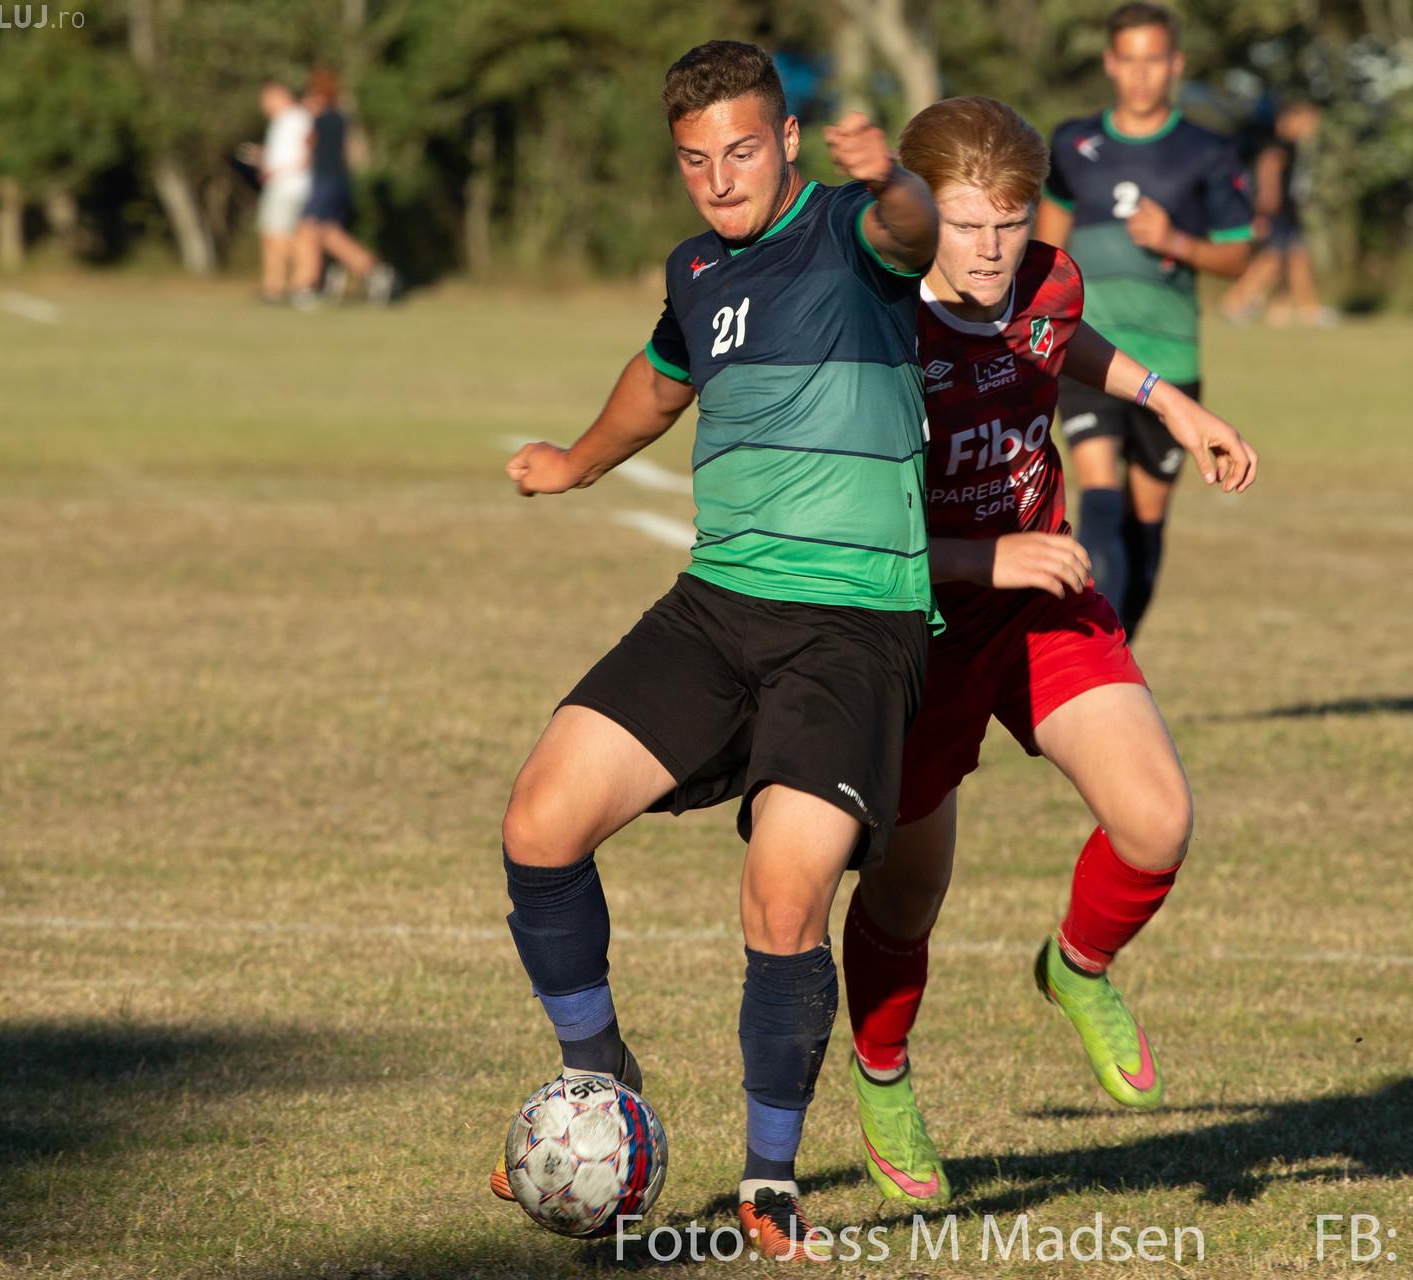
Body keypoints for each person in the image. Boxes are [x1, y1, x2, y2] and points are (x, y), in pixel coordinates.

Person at [490, 40, 938, 1262]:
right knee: (541, 821)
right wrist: (579, 461)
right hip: (717, 608)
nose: (721, 181)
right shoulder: (696, 266)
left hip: (851, 623)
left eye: (742, 151)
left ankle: (770, 1181)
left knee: (784, 897)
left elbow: (915, 228)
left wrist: (893, 176)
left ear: (786, 141)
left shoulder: (854, 228)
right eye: (696, 161)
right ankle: (605, 1094)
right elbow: (663, 372)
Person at [840, 94, 1257, 1204]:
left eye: (1011, 223)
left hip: (1041, 599)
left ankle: (1076, 965)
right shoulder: (875, 330)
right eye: (967, 224)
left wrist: (1171, 404)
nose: (990, 249)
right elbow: (841, 538)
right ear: (924, 215)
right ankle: (882, 1074)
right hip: (920, 625)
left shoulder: (1049, 279)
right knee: (904, 895)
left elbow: (1069, 338)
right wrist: (986, 559)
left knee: (1157, 817)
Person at [1034, 2, 1255, 636]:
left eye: (1152, 60)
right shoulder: (1073, 144)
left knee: (1145, 522)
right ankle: (1093, 656)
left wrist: (1178, 242)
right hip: (1088, 351)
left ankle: (1115, 652)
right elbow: (1048, 257)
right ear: (1110, 63)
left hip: (1171, 358)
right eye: (1126, 59)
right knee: (1097, 490)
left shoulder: (1206, 152)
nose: (1139, 74)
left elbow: (1239, 256)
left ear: (1175, 64)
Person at [1220, 97, 1333, 327]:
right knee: (1271, 260)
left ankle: (1307, 308)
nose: (1311, 128)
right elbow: (1267, 178)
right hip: (1274, 210)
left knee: (1298, 256)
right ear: (1293, 118)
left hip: (1286, 209)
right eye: (1308, 121)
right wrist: (1263, 212)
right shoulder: (1275, 145)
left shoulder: (1288, 145)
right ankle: (1234, 302)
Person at [291, 68, 398, 307]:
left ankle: (306, 286)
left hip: (325, 183)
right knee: (329, 234)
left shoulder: (322, 121)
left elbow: (309, 148)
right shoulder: (340, 119)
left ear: (319, 96)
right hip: (339, 184)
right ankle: (375, 271)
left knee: (307, 230)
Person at [241, 79, 310, 305]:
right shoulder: (280, 121)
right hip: (277, 185)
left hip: (290, 186)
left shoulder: (297, 118)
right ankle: (274, 287)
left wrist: (278, 170)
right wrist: (263, 157)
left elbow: (307, 154)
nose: (264, 106)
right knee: (270, 235)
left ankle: (308, 278)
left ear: (280, 96)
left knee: (280, 236)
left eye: (266, 100)